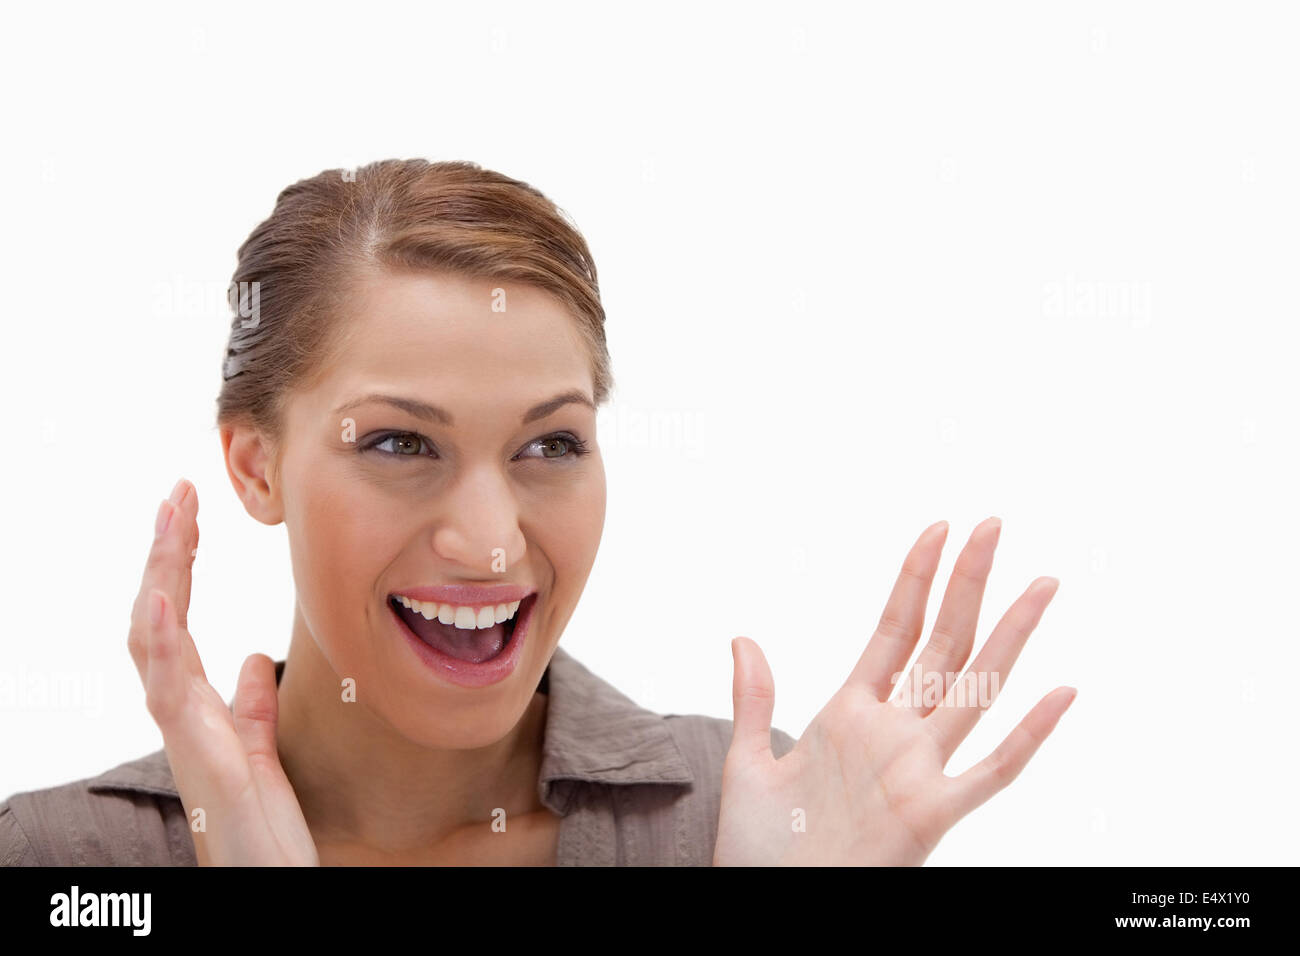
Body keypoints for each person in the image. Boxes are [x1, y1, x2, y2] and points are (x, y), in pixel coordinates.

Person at [0, 159, 1074, 866]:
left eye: (549, 444)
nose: (492, 540)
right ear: (255, 466)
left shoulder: (742, 821)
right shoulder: (65, 857)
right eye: (399, 443)